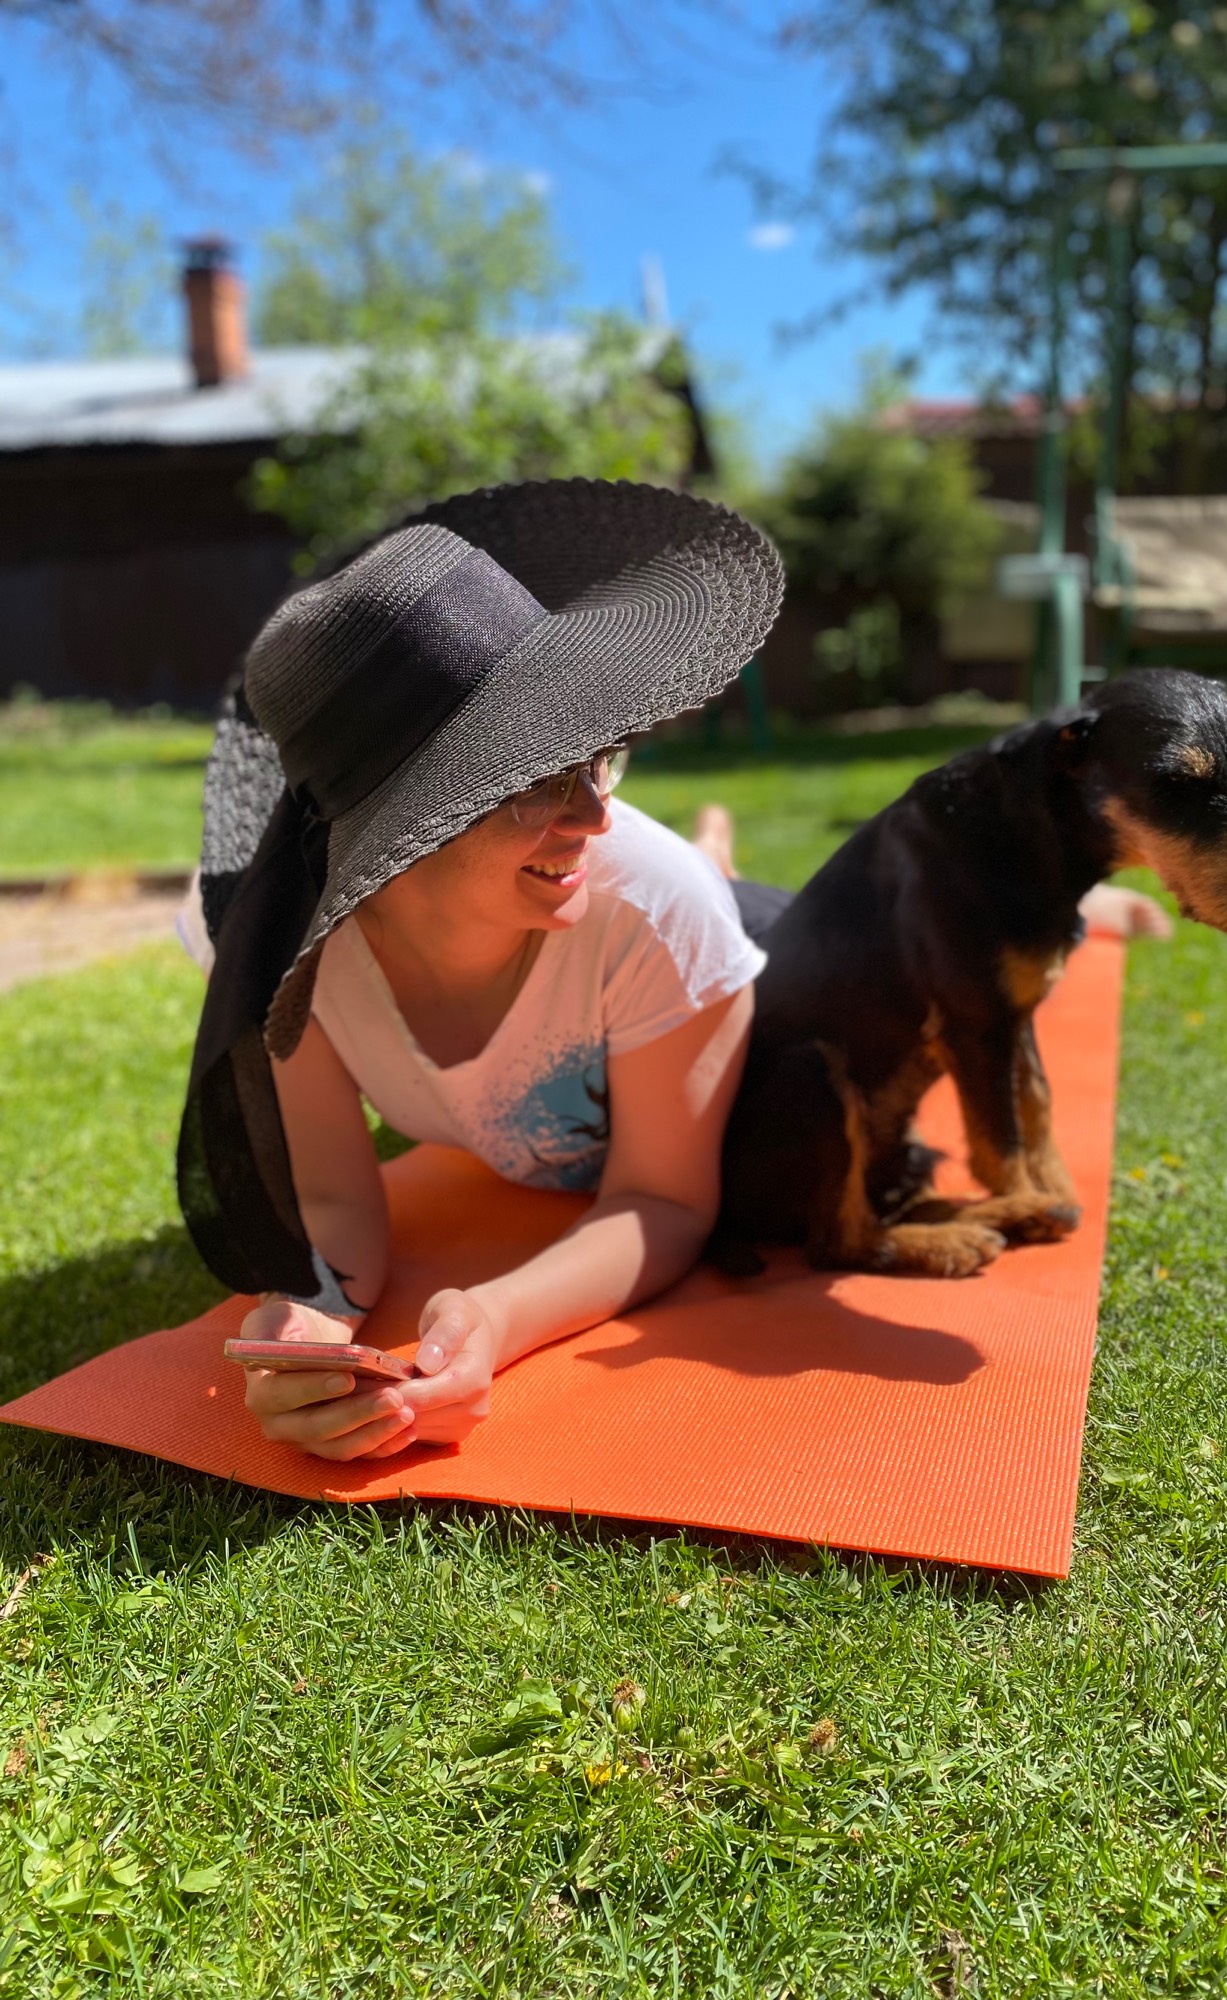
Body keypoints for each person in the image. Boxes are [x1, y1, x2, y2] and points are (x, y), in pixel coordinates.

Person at [178, 476, 1168, 1468]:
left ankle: (1080, 901)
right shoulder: (278, 944)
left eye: (597, 757)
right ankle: (719, 848)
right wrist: (304, 1323)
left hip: (767, 961)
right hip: (673, 934)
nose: (593, 813)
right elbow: (336, 1211)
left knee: (939, 948)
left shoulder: (652, 903)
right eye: (531, 780)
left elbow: (663, 1199)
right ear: (385, 836)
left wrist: (494, 1317)